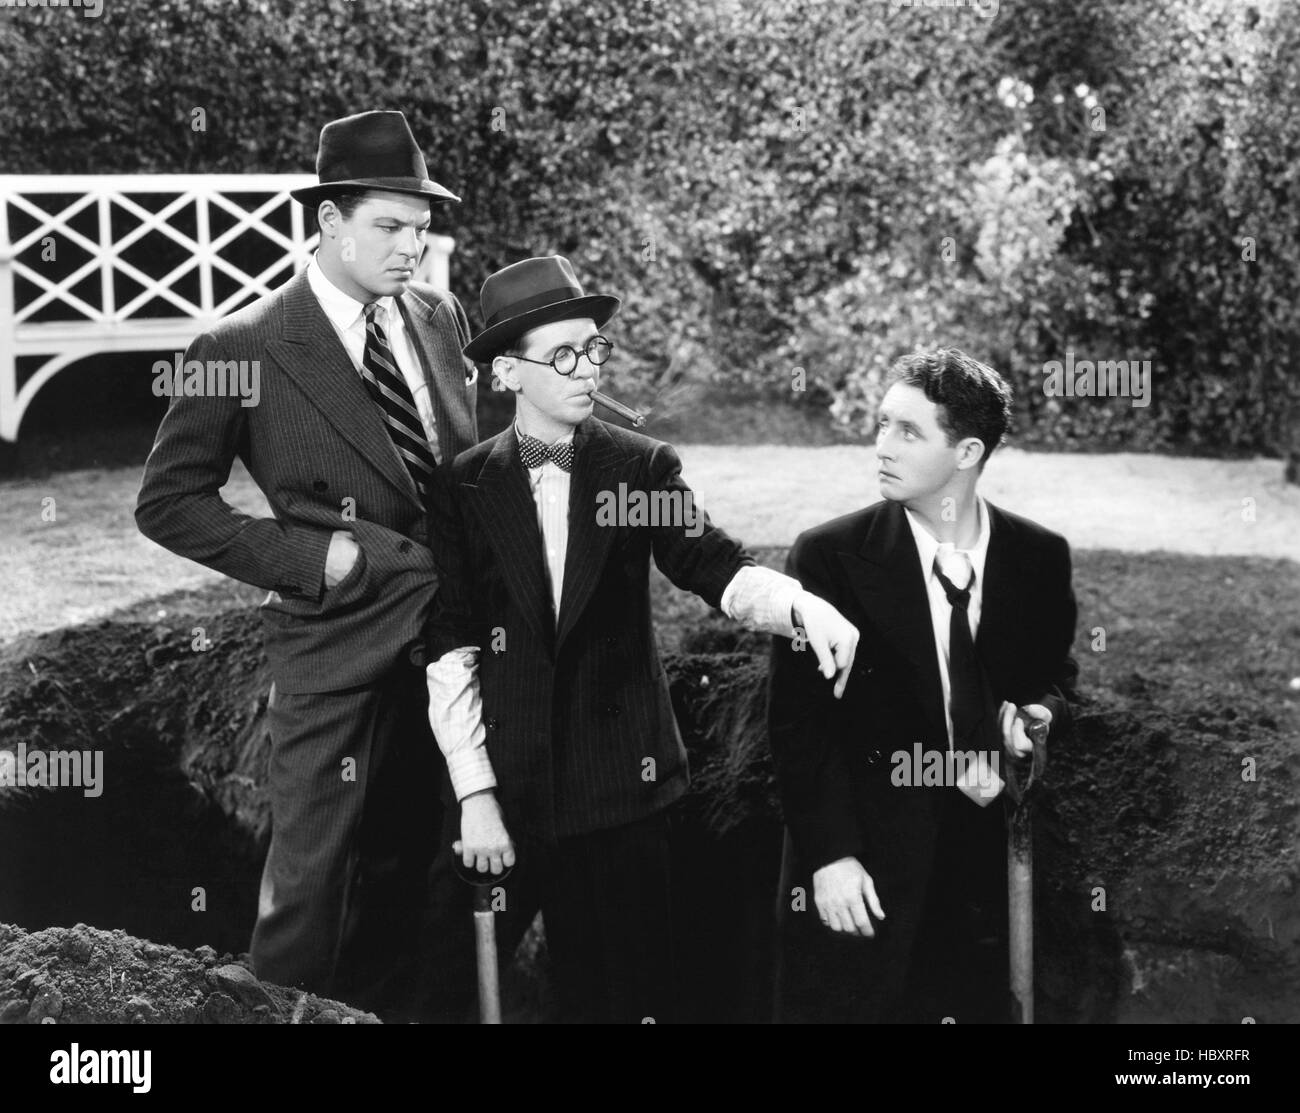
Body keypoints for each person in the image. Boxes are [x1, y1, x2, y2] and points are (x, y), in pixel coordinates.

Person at [422, 255, 860, 1023]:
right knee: (454, 983)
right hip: (513, 792)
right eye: (562, 355)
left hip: (628, 786)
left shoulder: (636, 467)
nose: (586, 368)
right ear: (505, 373)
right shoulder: (462, 485)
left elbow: (712, 563)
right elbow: (453, 644)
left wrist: (801, 607)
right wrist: (477, 794)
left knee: (634, 998)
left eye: (594, 348)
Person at [135, 110, 479, 1018]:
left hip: (453, 638)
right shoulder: (235, 349)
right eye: (391, 226)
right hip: (338, 642)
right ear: (329, 222)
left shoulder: (440, 316)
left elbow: (466, 464)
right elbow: (167, 502)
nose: (415, 245)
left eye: (422, 226)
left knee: (440, 863)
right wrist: (310, 557)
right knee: (310, 889)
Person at [767, 348, 1079, 1023]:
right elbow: (798, 722)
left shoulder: (1037, 558)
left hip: (978, 868)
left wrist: (1033, 716)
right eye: (881, 424)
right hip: (862, 868)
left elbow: (1056, 680)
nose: (881, 445)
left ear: (967, 451)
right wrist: (830, 856)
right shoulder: (828, 556)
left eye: (908, 431)